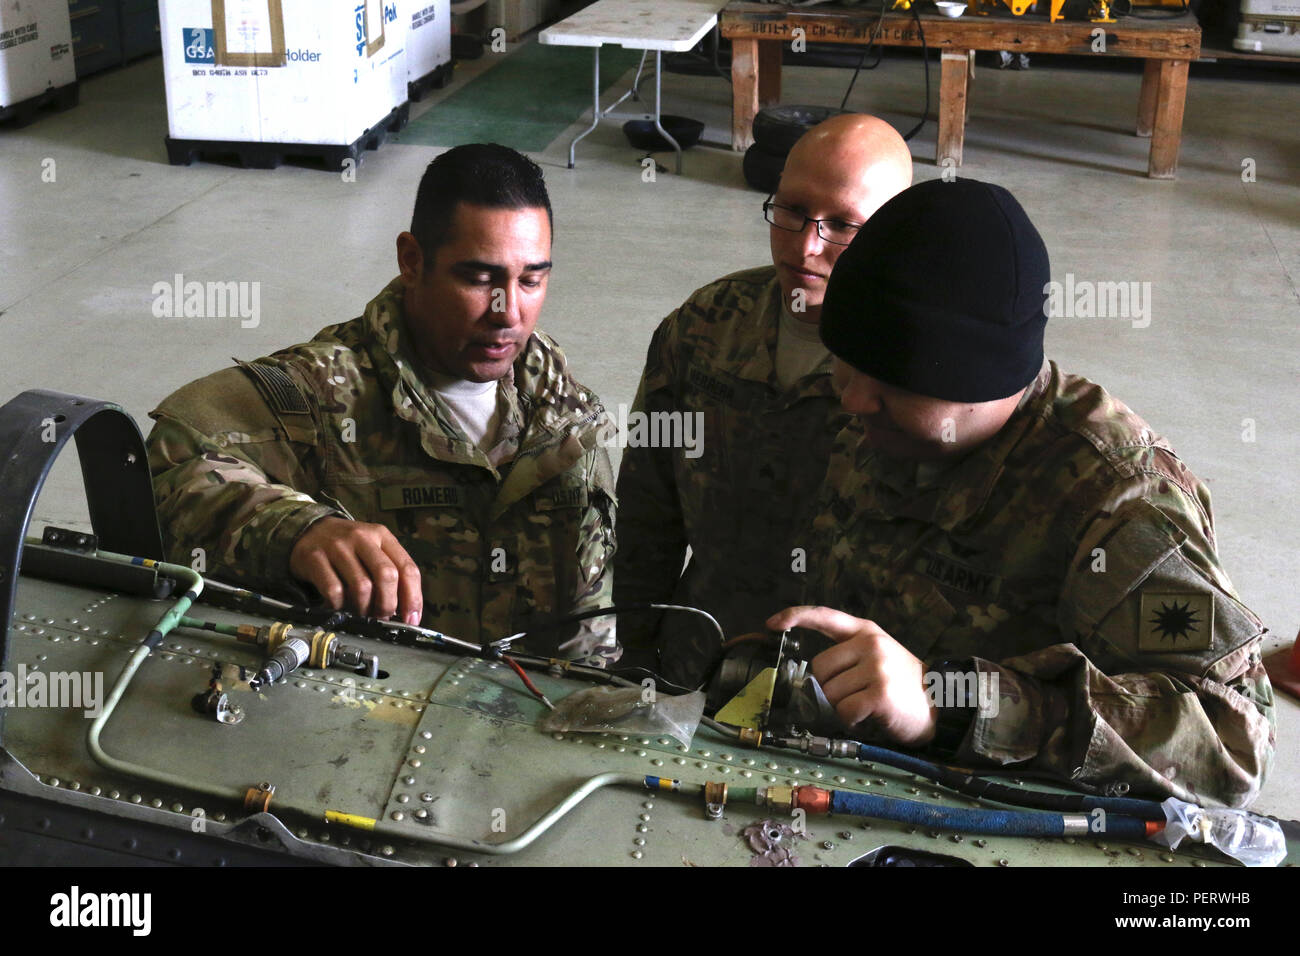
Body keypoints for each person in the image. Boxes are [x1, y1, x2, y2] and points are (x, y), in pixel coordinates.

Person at [769, 178, 1274, 808]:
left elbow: (1233, 745)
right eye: (845, 360)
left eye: (891, 382)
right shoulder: (881, 423)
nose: (850, 398)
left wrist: (952, 704)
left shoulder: (1120, 501)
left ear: (986, 379)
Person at [147, 144, 618, 662]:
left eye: (531, 279)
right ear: (412, 261)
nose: (508, 312)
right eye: (479, 279)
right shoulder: (325, 393)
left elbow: (589, 628)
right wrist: (297, 530)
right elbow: (171, 457)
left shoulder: (567, 416)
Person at [615, 114, 913, 687]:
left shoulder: (914, 368)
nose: (806, 246)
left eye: (843, 226)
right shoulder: (707, 324)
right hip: (695, 661)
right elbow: (649, 504)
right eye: (792, 210)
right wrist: (635, 646)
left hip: (836, 692)